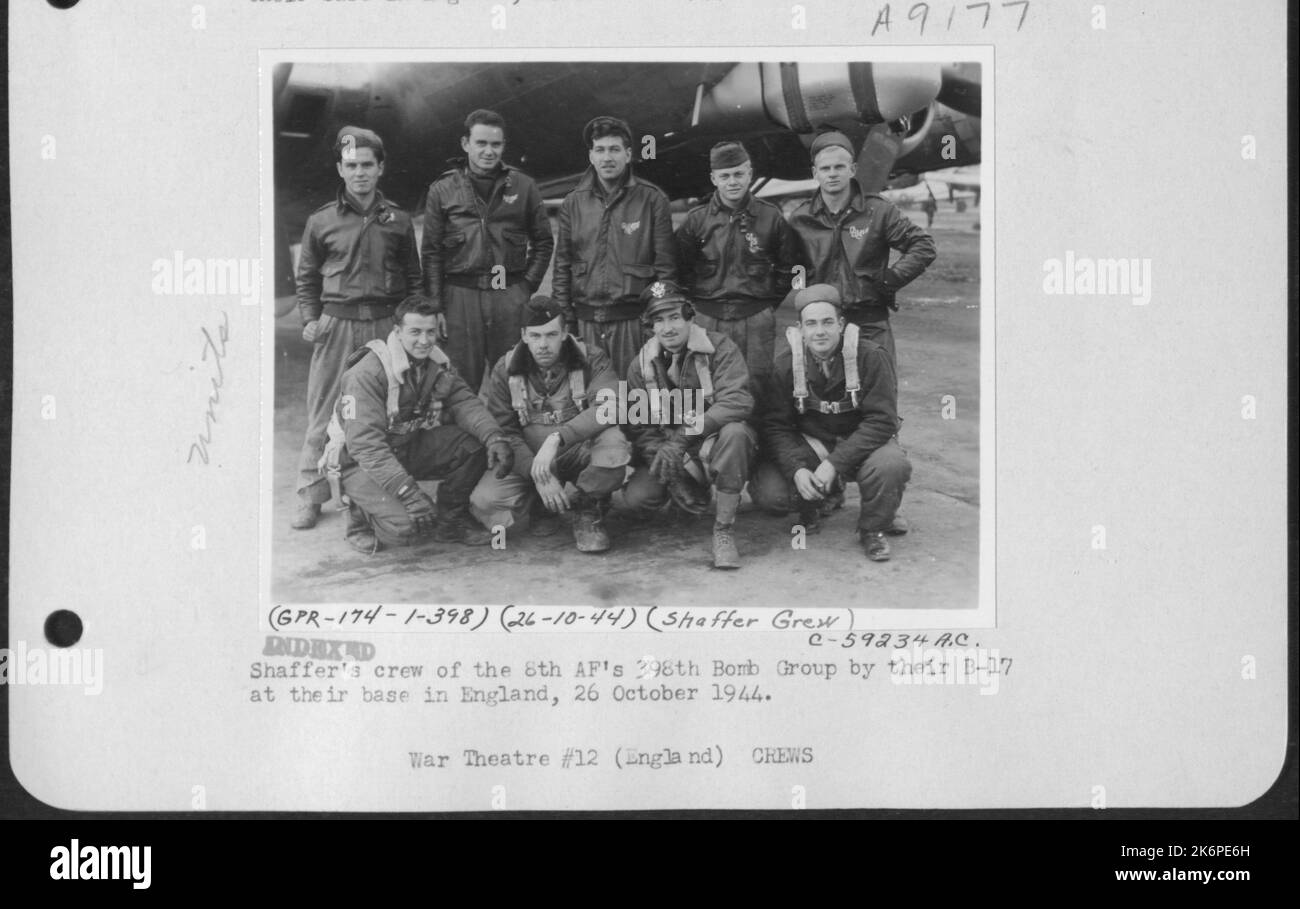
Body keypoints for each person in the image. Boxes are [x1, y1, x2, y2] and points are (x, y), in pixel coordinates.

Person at [293, 126, 422, 530]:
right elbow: (308, 277)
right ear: (340, 168)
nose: (360, 173)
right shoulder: (321, 221)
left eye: (367, 165)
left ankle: (376, 491)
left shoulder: (398, 221)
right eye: (352, 165)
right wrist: (310, 320)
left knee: (386, 410)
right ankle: (310, 494)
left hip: (385, 324)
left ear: (380, 168)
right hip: (338, 323)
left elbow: (414, 279)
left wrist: (409, 329)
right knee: (324, 409)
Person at [322, 295, 515, 553]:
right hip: (358, 462)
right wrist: (409, 493)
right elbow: (366, 448)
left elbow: (464, 402)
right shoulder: (367, 373)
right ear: (397, 332)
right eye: (415, 332)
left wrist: (494, 436)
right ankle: (359, 516)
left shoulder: (435, 362)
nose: (424, 341)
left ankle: (451, 522)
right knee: (408, 530)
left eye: (430, 332)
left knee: (472, 444)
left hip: (403, 447)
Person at [752, 285, 911, 562]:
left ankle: (873, 528)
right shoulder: (786, 364)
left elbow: (882, 421)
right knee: (771, 495)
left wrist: (835, 464)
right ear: (800, 328)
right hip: (813, 443)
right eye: (811, 324)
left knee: (891, 465)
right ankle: (819, 500)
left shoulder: (871, 356)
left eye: (827, 322)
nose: (820, 331)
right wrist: (797, 469)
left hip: (861, 443)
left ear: (841, 324)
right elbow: (775, 426)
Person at [469, 295, 630, 552]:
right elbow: (505, 431)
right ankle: (540, 502)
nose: (543, 344)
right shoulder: (505, 369)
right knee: (485, 502)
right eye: (535, 336)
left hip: (577, 449)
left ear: (565, 333)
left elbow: (609, 408)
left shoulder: (593, 358)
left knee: (614, 449)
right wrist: (537, 474)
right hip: (532, 455)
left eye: (551, 335)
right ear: (523, 335)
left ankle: (588, 507)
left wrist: (558, 437)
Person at [621, 281, 756, 569]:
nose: (667, 328)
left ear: (690, 317)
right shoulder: (640, 364)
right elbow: (641, 426)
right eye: (659, 320)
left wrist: (684, 436)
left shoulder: (719, 348)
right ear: (650, 326)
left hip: (714, 444)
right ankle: (683, 490)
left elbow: (737, 402)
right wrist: (672, 471)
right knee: (638, 499)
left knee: (736, 432)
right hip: (673, 449)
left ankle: (723, 529)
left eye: (674, 317)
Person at [420, 109, 554, 392]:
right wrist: (436, 305)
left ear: (504, 146)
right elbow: (431, 252)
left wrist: (525, 287)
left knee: (513, 379)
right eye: (481, 143)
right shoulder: (442, 189)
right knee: (456, 383)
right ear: (465, 143)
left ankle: (510, 436)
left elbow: (543, 241)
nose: (488, 151)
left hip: (509, 295)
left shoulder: (523, 186)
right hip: (460, 297)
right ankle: (459, 437)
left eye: (496, 144)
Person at [787, 130, 936, 368]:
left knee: (879, 395)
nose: (833, 174)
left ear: (853, 169)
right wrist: (804, 292)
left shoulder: (878, 211)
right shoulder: (800, 218)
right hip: (824, 325)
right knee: (826, 398)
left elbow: (923, 246)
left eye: (839, 167)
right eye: (825, 169)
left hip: (870, 323)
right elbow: (786, 265)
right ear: (815, 173)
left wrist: (891, 278)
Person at [552, 115, 676, 377]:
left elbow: (666, 272)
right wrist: (566, 321)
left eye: (614, 149)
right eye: (600, 150)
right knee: (591, 403)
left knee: (635, 399)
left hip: (632, 325)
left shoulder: (652, 199)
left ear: (628, 154)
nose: (607, 157)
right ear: (591, 156)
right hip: (585, 324)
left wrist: (655, 322)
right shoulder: (573, 203)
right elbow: (562, 268)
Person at [674, 140, 799, 389]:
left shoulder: (770, 216)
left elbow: (792, 266)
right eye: (725, 176)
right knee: (705, 383)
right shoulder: (696, 220)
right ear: (714, 179)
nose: (733, 182)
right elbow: (677, 267)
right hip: (707, 317)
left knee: (757, 385)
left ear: (750, 174)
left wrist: (766, 304)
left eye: (739, 174)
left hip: (755, 319)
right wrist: (696, 305)